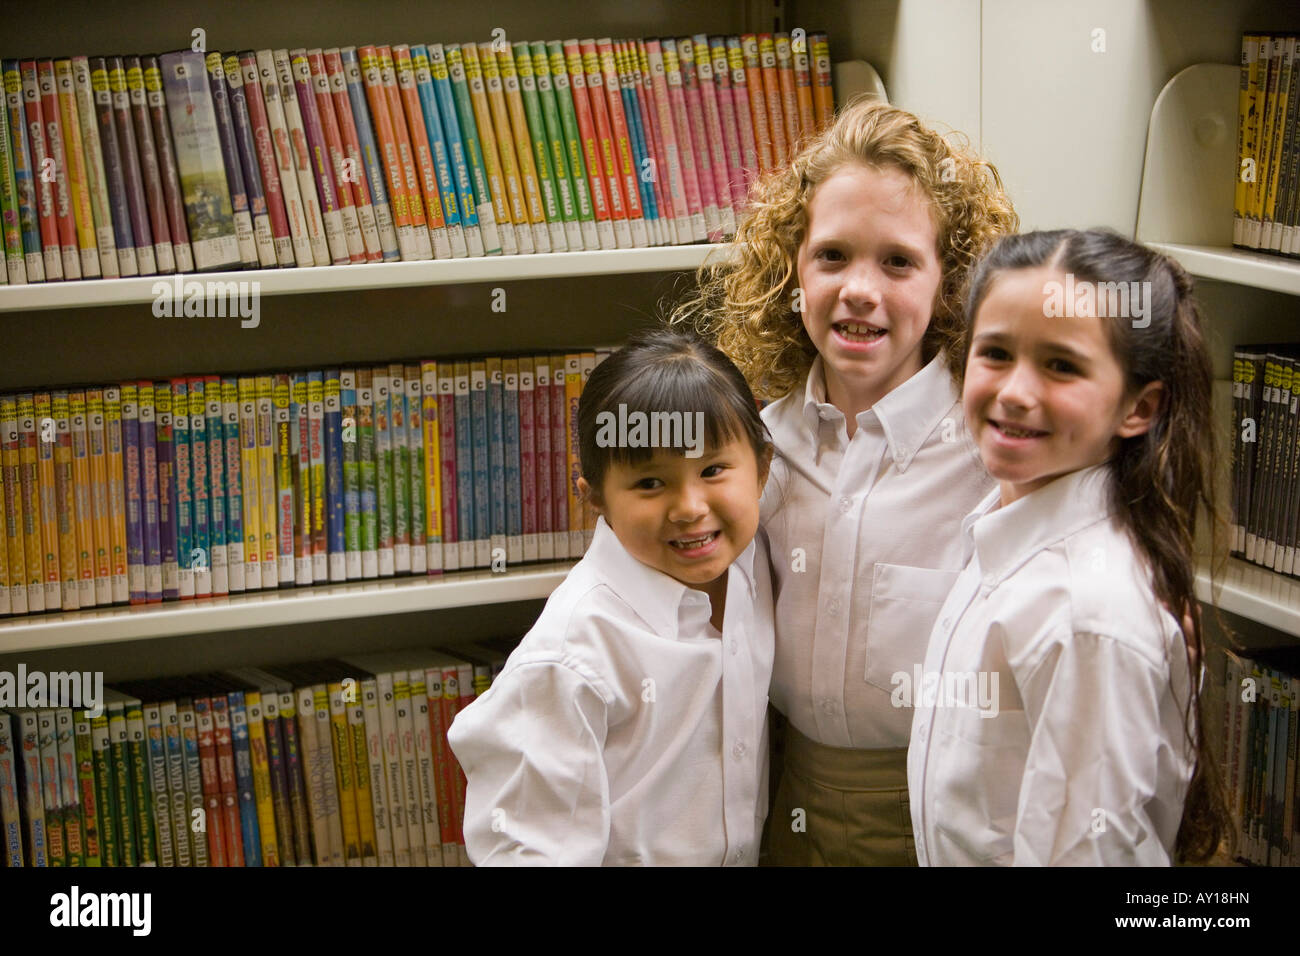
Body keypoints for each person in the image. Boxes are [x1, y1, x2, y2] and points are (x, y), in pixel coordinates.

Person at [675, 96, 1018, 864]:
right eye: (832, 255)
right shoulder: (758, 446)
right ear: (791, 270)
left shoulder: (989, 456)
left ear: (950, 283)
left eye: (897, 262)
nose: (860, 288)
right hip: (781, 794)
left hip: (935, 811)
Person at [907, 229, 1229, 865]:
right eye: (995, 353)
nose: (1016, 392)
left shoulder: (1087, 611)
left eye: (1062, 365)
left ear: (1138, 407)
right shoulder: (1004, 529)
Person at [447, 328, 776, 865]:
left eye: (712, 470)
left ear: (763, 469)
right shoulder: (572, 654)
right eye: (650, 483)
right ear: (594, 497)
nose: (690, 506)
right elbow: (530, 850)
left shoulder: (753, 565)